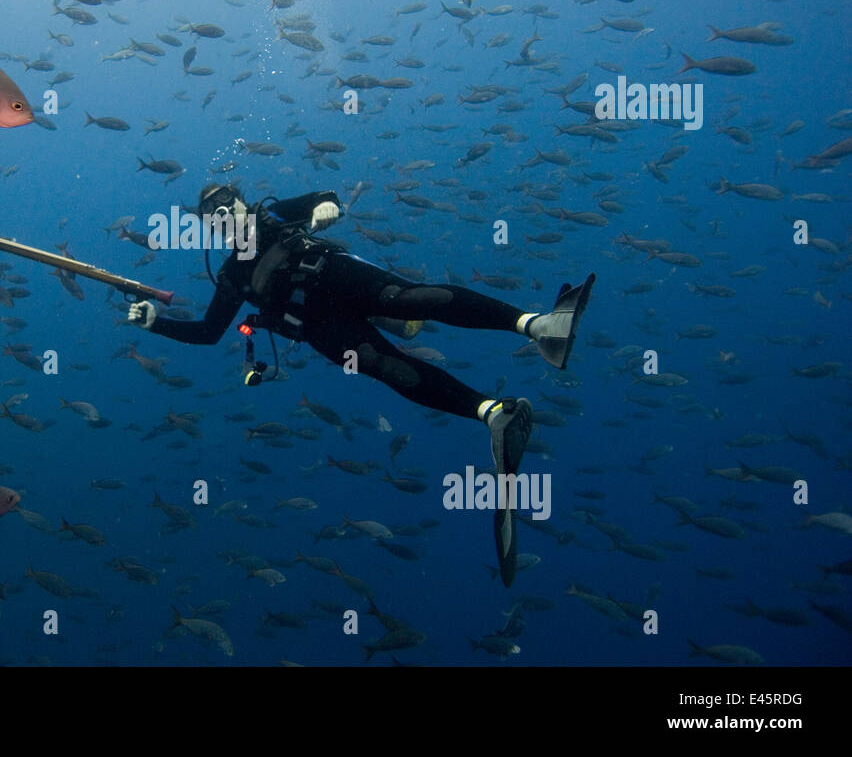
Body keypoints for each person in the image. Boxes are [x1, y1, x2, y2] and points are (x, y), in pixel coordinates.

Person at [127, 183, 595, 586]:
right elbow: (208, 333)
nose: (222, 212)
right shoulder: (230, 274)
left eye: (225, 200)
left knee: (408, 299)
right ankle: (494, 414)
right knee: (379, 364)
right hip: (314, 323)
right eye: (211, 212)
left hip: (335, 274)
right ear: (208, 227)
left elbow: (323, 198)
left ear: (242, 199)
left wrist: (324, 207)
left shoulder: (273, 213)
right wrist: (156, 324)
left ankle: (538, 326)